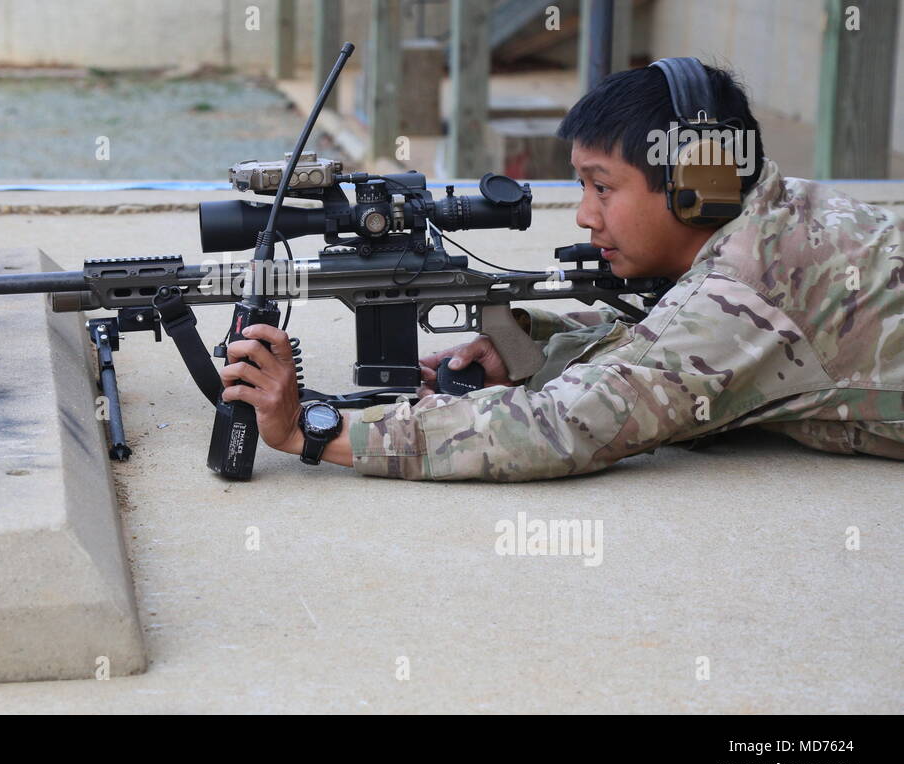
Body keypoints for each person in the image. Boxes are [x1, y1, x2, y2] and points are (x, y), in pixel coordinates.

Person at [217, 59, 904, 481]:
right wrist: (539, 344)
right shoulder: (775, 220)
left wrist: (317, 429)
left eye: (603, 188)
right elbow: (666, 334)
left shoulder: (748, 288)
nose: (583, 216)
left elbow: (560, 430)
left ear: (700, 182)